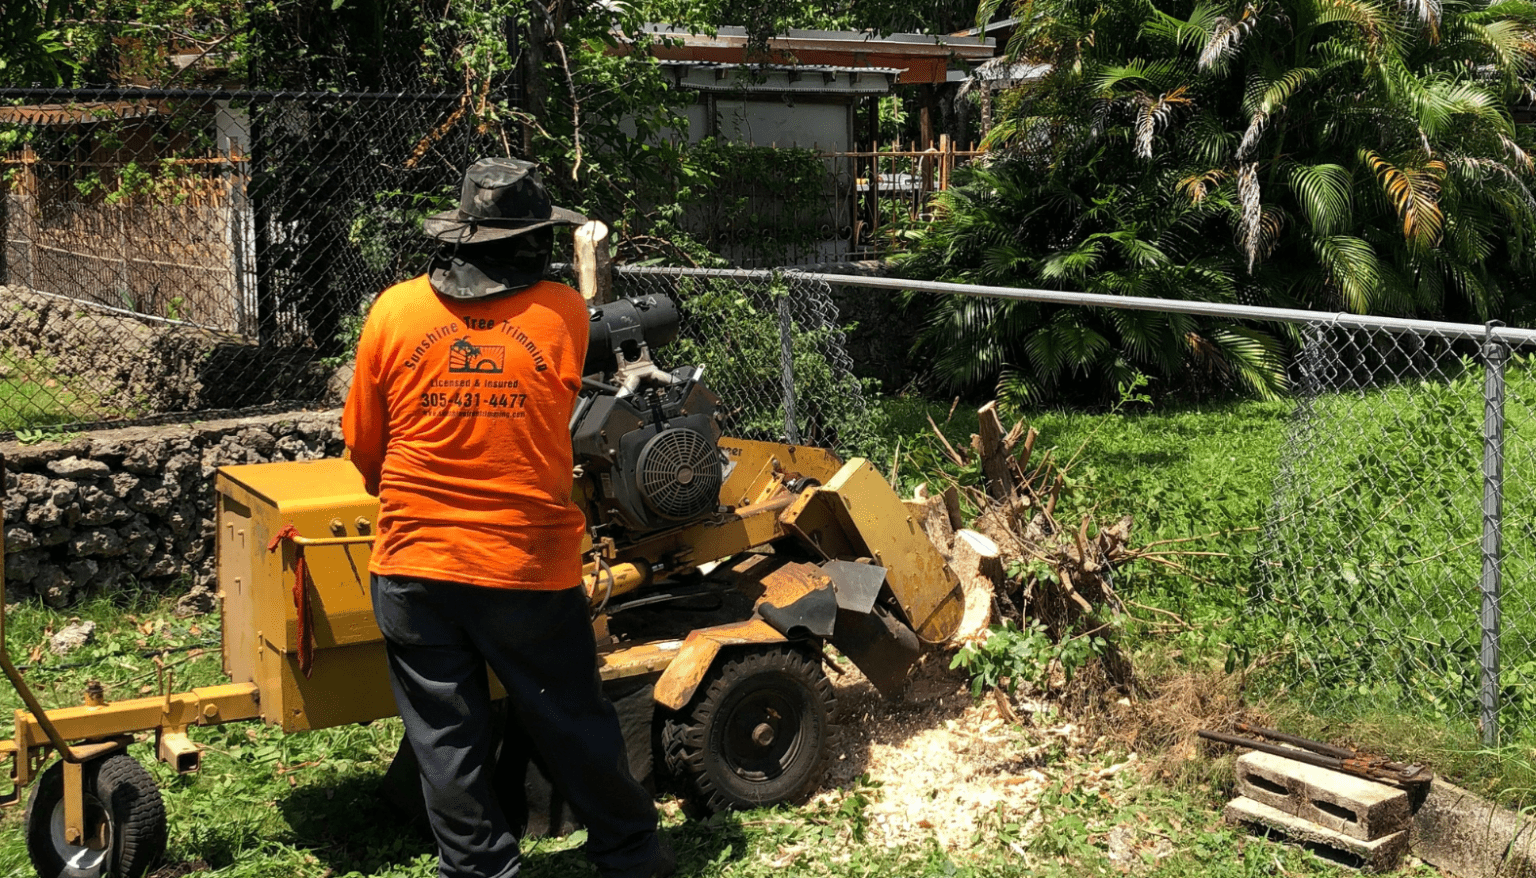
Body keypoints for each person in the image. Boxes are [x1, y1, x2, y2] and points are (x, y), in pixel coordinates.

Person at [343, 157, 671, 878]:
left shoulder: (393, 311)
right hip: (524, 565)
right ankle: (631, 855)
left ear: (461, 236)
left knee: (445, 738)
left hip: (413, 563)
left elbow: (365, 447)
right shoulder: (561, 313)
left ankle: (480, 870)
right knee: (570, 715)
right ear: (531, 242)